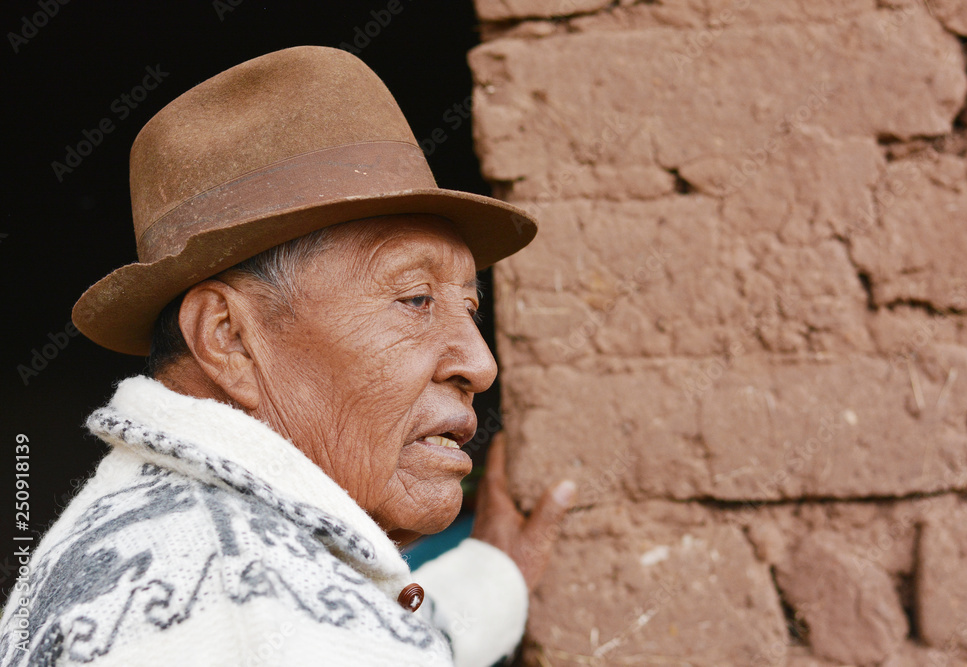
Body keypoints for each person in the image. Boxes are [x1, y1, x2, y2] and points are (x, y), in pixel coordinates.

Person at [0, 46, 575, 667]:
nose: (481, 364)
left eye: (469, 308)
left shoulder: (136, 538)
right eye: (414, 299)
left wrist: (495, 577)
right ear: (229, 338)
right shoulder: (259, 618)